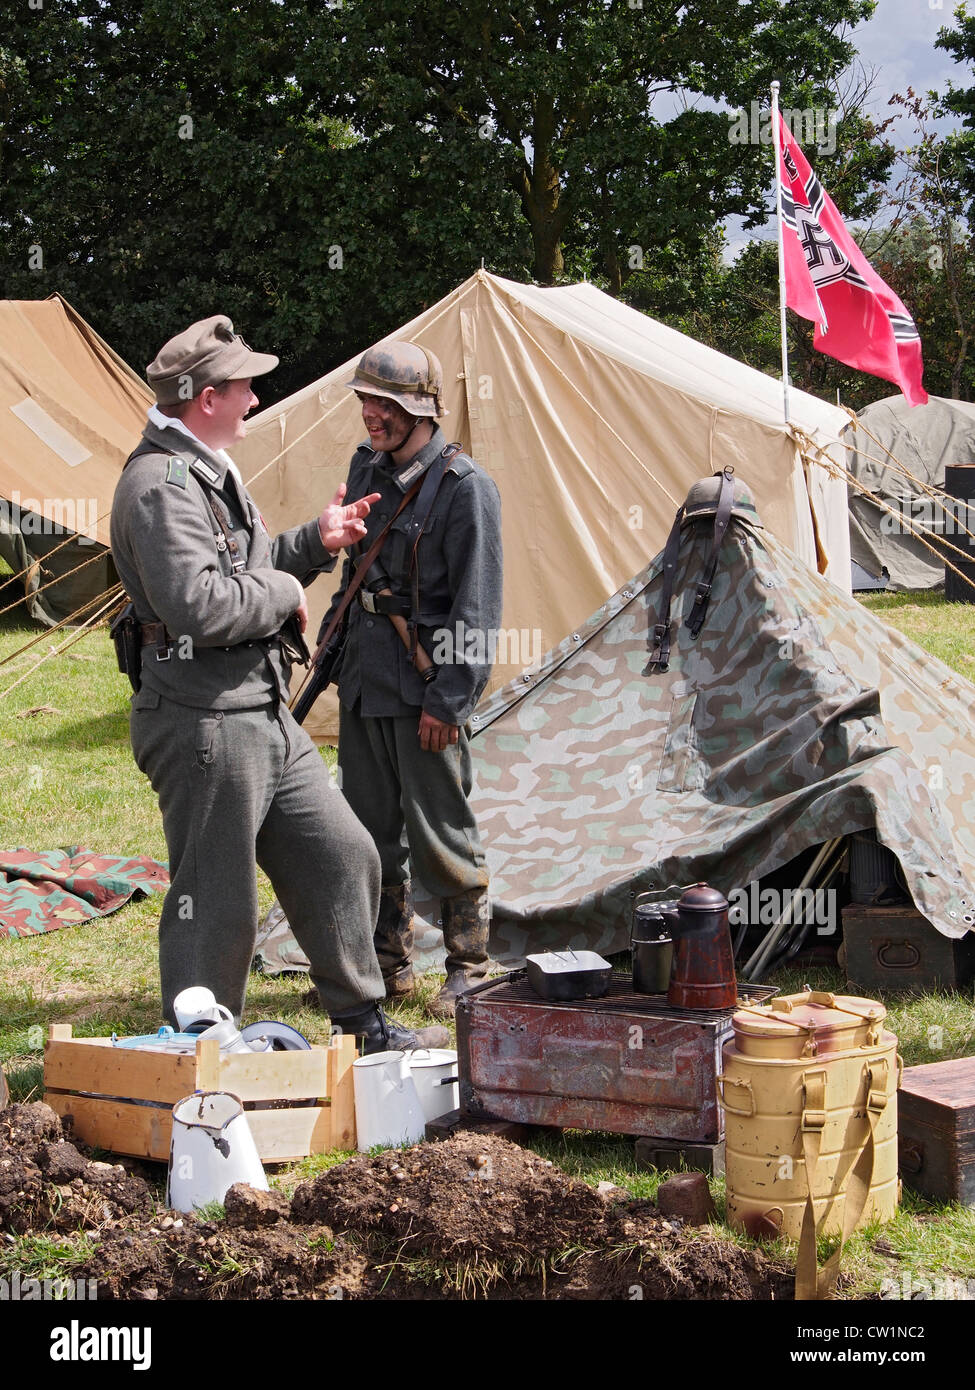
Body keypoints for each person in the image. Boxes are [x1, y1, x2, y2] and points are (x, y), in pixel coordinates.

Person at [110, 315, 448, 1053]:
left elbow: (245, 565)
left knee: (341, 853)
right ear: (204, 397)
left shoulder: (205, 465)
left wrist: (313, 543)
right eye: (242, 387)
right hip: (202, 716)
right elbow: (198, 604)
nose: (255, 400)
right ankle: (201, 1051)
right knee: (216, 897)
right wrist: (283, 593)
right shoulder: (159, 486)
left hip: (255, 707)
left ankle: (359, 1024)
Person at [321, 341, 503, 1019]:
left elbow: (477, 607)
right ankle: (385, 966)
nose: (372, 416)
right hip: (366, 678)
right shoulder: (365, 467)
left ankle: (469, 968)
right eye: (367, 402)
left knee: (441, 829)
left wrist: (450, 699)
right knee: (366, 833)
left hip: (426, 690)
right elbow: (354, 571)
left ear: (419, 410)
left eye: (387, 405)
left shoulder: (464, 488)